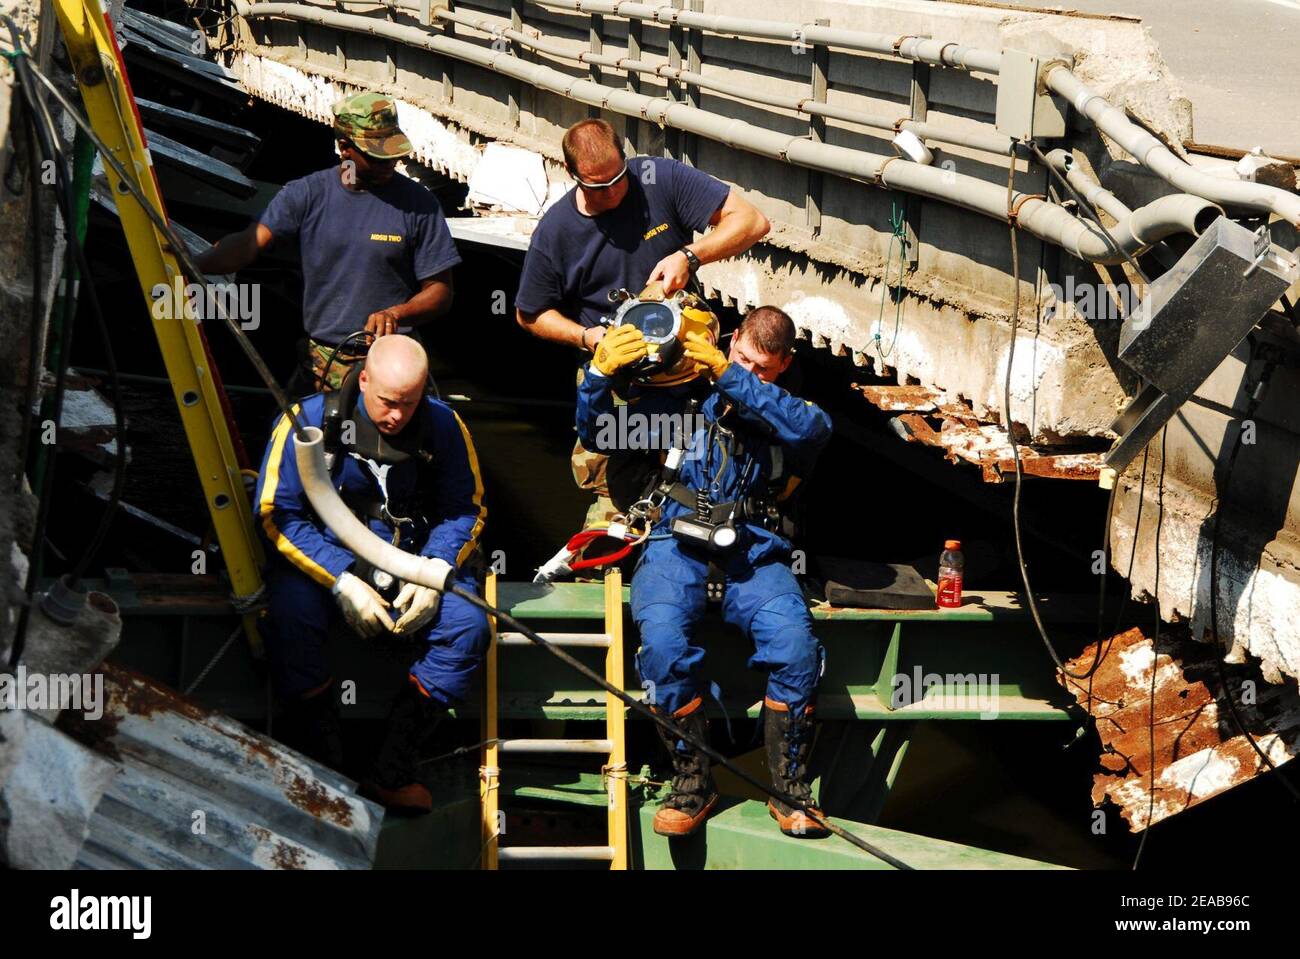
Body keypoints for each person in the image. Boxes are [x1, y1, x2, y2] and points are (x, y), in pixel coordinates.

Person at [576, 305, 833, 838]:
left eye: (762, 368)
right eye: (740, 357)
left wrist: (733, 376)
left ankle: (788, 787)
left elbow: (813, 429)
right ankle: (692, 781)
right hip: (674, 542)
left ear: (783, 364)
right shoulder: (678, 393)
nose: (748, 371)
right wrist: (597, 375)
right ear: (731, 338)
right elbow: (600, 432)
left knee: (796, 646)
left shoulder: (782, 408)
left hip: (754, 551)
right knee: (664, 644)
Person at [253, 335, 489, 814]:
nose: (397, 416)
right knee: (290, 616)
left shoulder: (444, 426)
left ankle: (392, 766)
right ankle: (325, 764)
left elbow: (465, 509)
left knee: (468, 627)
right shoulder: (308, 422)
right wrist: (340, 577)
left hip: (413, 559)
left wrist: (435, 568)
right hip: (331, 558)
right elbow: (278, 514)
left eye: (409, 403)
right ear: (362, 380)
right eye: (386, 402)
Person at [514, 118, 769, 528]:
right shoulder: (556, 232)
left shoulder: (659, 178)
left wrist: (690, 256)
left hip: (688, 374)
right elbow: (530, 314)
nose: (613, 192)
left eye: (618, 178)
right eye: (597, 186)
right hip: (618, 382)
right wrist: (588, 337)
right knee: (615, 505)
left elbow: (752, 222)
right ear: (572, 174)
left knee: (708, 484)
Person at [196, 93, 461, 392]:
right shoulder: (307, 194)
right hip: (324, 360)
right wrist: (191, 263)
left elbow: (441, 291)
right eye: (375, 155)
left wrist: (397, 314)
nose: (389, 162)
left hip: (394, 359)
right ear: (345, 148)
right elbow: (247, 244)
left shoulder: (419, 204)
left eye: (392, 151)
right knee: (299, 433)